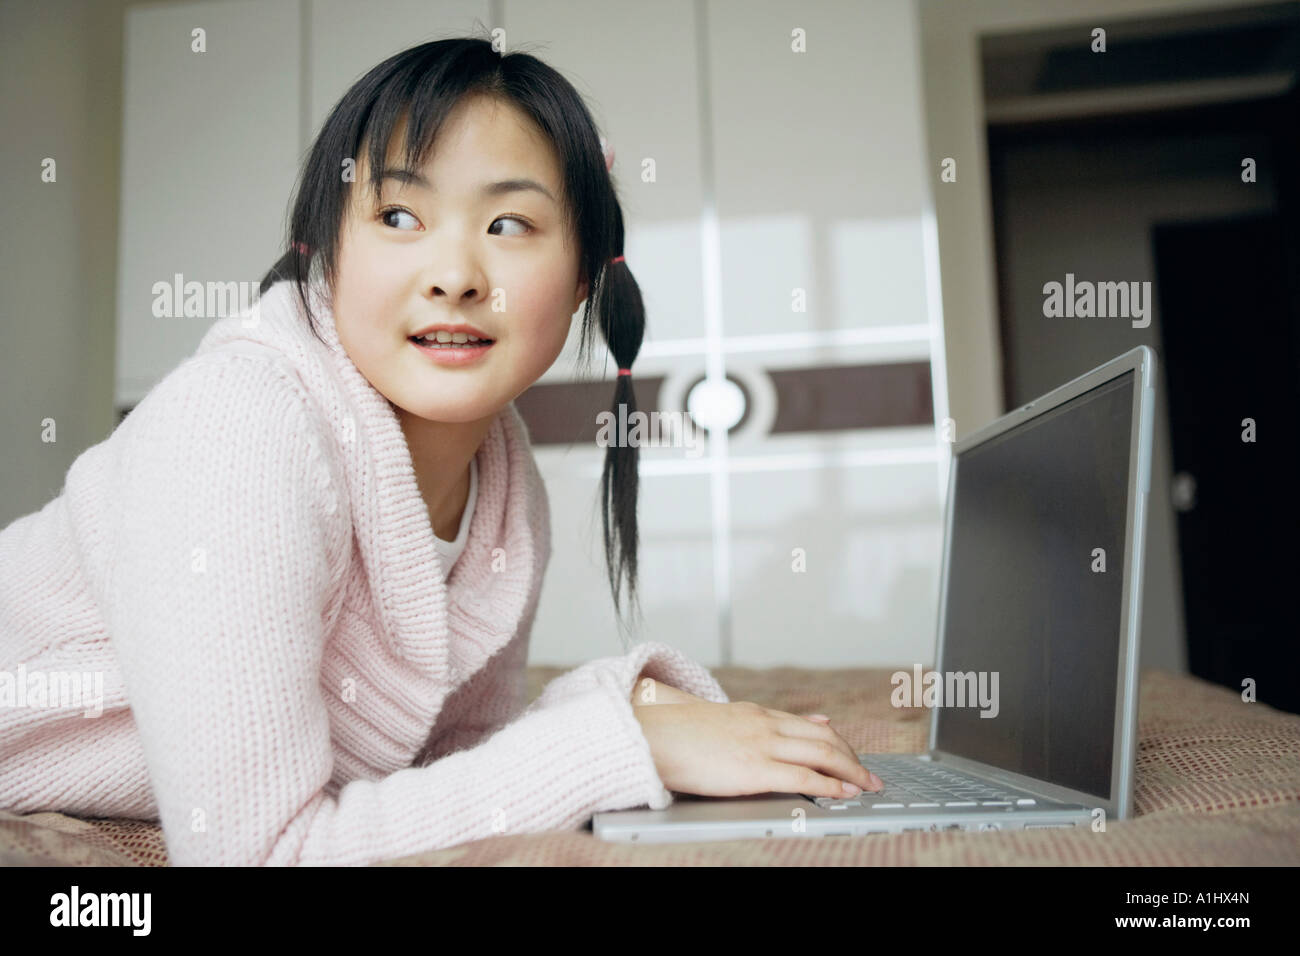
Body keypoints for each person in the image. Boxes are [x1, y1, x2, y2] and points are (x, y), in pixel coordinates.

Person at [0, 35, 879, 866]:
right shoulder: (241, 425)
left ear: (582, 279)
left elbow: (446, 770)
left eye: (509, 224)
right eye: (396, 213)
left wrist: (632, 704)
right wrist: (622, 742)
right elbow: (259, 855)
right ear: (327, 253)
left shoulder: (505, 481)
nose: (455, 272)